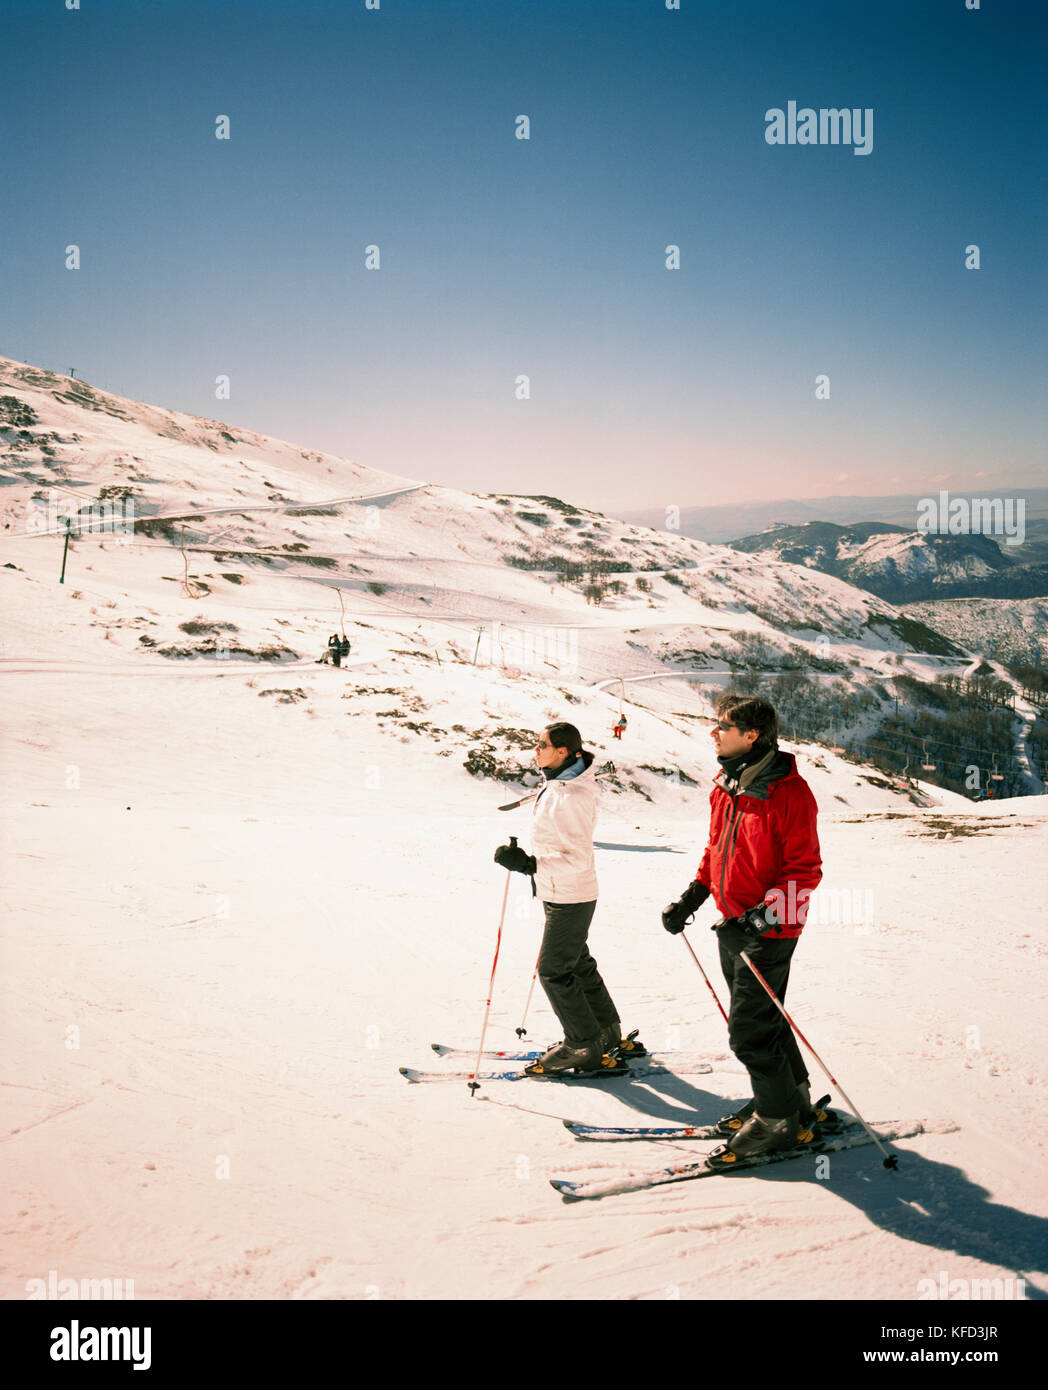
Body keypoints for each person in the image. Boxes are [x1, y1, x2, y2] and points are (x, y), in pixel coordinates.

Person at [662, 694, 822, 1157]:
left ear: (751, 736)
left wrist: (756, 922)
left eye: (723, 727)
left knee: (749, 1033)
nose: (714, 733)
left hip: (770, 931)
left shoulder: (789, 793)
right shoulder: (726, 787)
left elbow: (804, 873)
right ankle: (791, 1101)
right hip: (732, 923)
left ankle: (777, 1121)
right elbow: (715, 850)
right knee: (763, 1020)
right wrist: (692, 897)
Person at [494, 723, 626, 1075]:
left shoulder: (572, 796)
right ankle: (606, 1032)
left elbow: (577, 858)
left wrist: (529, 864)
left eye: (542, 745)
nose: (535, 750)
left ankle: (582, 1044)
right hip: (561, 891)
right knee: (577, 962)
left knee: (553, 971)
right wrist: (531, 864)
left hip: (571, 894)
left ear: (563, 751)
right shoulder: (560, 784)